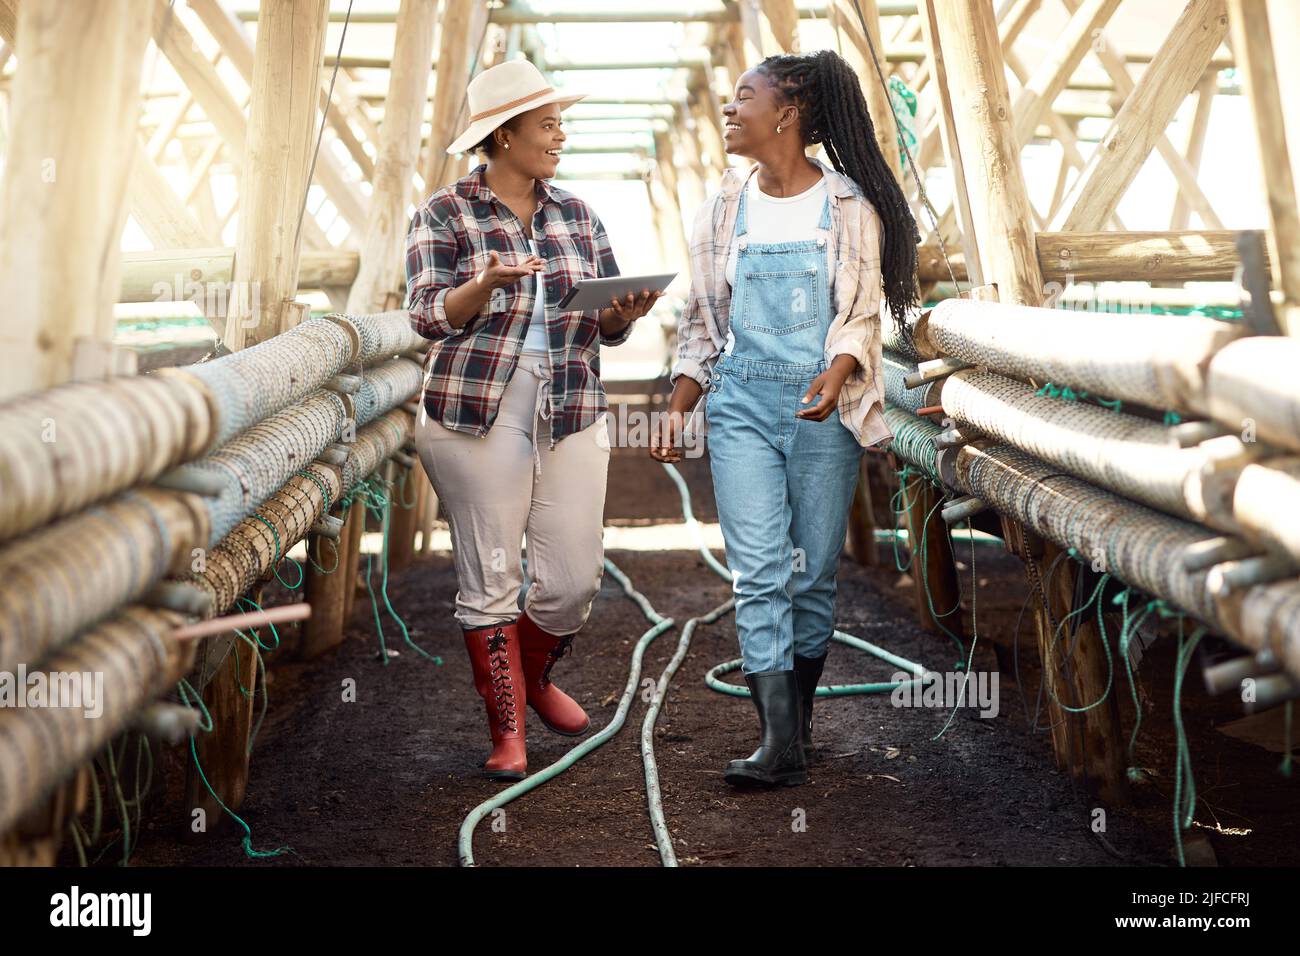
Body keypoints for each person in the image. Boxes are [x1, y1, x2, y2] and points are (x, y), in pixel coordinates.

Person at [650, 50, 919, 787]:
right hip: (740, 404)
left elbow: (860, 316)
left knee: (813, 575)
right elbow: (703, 331)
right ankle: (773, 742)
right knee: (759, 573)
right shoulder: (719, 212)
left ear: (787, 114)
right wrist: (677, 412)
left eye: (744, 97)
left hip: (820, 408)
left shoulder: (849, 209)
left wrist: (834, 380)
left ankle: (796, 728)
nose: (729, 111)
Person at [407, 59, 662, 781]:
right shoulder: (444, 214)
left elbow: (606, 329)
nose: (560, 134)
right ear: (504, 135)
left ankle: (533, 675)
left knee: (572, 581)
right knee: (490, 577)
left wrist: (622, 312)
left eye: (558, 122)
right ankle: (509, 731)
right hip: (472, 416)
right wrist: (479, 286)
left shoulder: (578, 214)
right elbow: (428, 314)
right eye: (547, 123)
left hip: (571, 409)